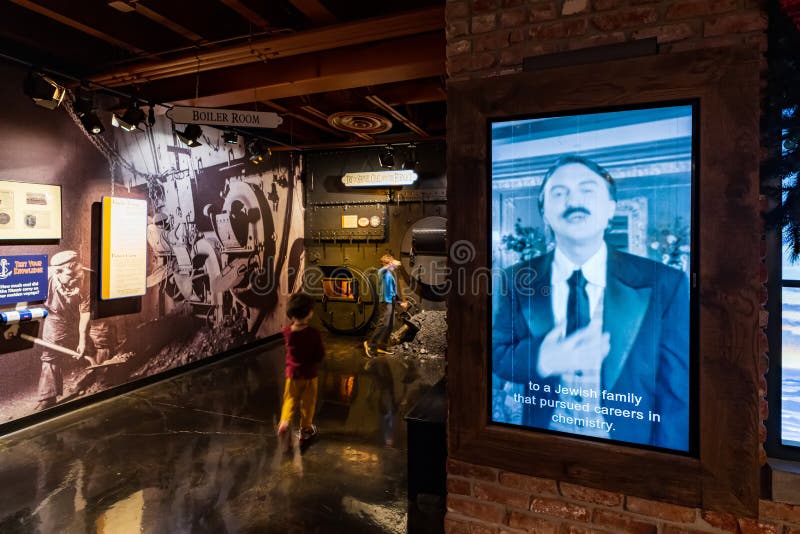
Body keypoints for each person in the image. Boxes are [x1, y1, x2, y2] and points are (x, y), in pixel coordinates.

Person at [492, 155, 689, 450]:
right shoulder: (516, 278)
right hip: (540, 445)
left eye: (587, 190)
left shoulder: (665, 283)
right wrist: (542, 359)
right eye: (559, 193)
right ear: (545, 212)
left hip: (629, 451)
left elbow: (676, 395)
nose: (574, 200)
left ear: (611, 208)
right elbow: (497, 354)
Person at [35, 250, 91, 411]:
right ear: (58, 272)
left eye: (77, 275)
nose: (76, 279)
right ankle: (48, 397)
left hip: (78, 315)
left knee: (99, 338)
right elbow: (24, 294)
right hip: (55, 316)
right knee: (50, 354)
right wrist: (15, 321)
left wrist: (82, 340)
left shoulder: (86, 278)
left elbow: (85, 312)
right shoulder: (45, 276)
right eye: (70, 276)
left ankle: (103, 377)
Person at [278, 292, 326, 447]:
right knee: (308, 403)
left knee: (290, 400)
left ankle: (284, 422)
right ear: (309, 313)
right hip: (310, 375)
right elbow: (319, 354)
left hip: (292, 374)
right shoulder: (314, 334)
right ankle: (305, 429)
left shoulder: (287, 332)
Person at [364, 254, 408, 358]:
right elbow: (383, 270)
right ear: (385, 263)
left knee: (390, 325)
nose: (393, 266)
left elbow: (392, 291)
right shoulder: (381, 272)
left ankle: (382, 346)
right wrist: (392, 263)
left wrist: (400, 302)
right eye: (390, 264)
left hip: (391, 302)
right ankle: (370, 345)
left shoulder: (390, 274)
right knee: (383, 324)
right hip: (385, 302)